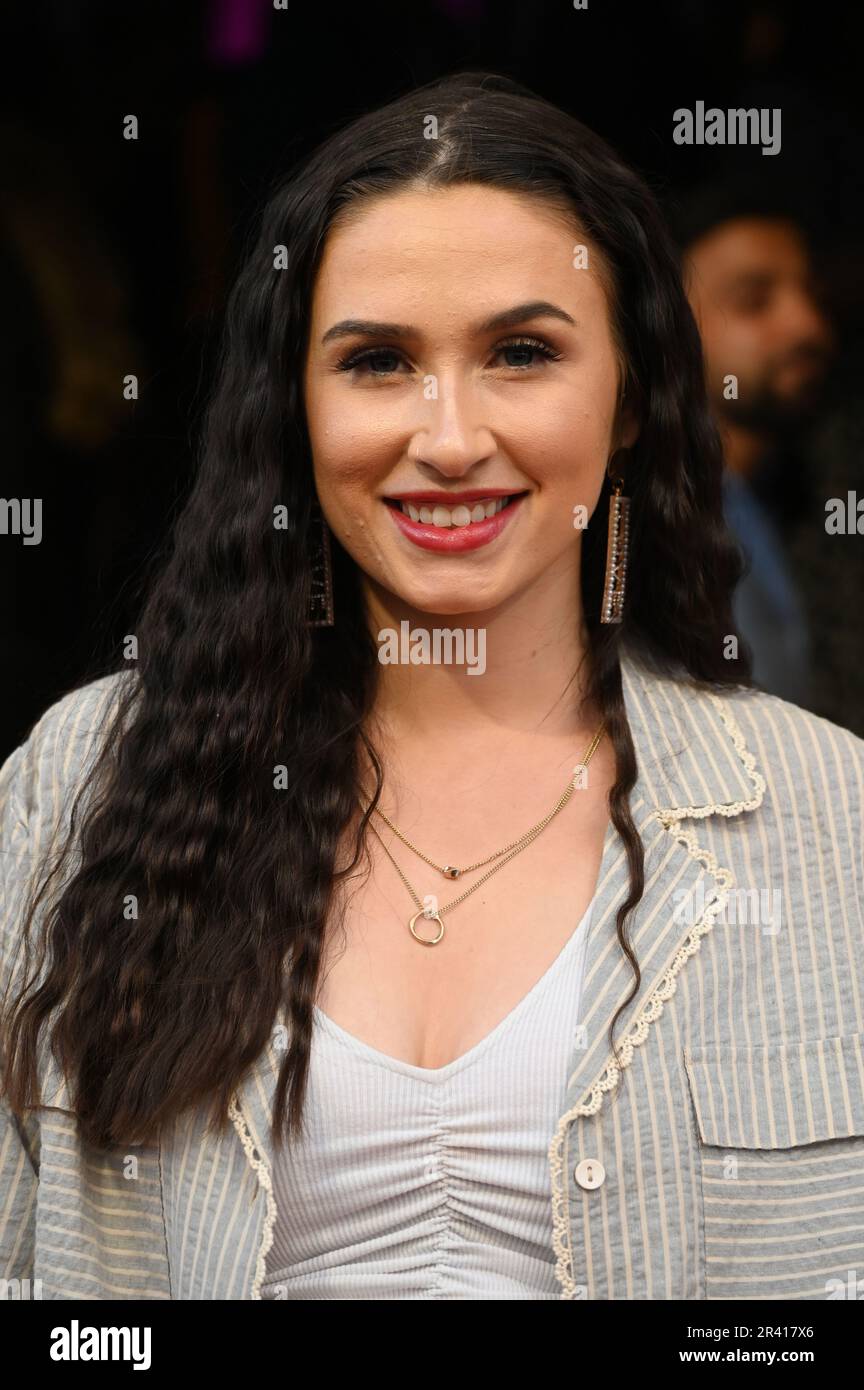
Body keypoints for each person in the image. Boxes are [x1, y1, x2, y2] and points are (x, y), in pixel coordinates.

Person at [1, 70, 863, 1303]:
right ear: (293, 410)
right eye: (377, 361)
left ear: (627, 400)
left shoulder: (832, 817)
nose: (450, 437)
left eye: (522, 352)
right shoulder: (78, 785)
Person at [672, 174, 836, 708]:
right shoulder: (633, 514)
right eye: (754, 301)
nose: (806, 325)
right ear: (666, 325)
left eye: (810, 294)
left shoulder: (808, 494)